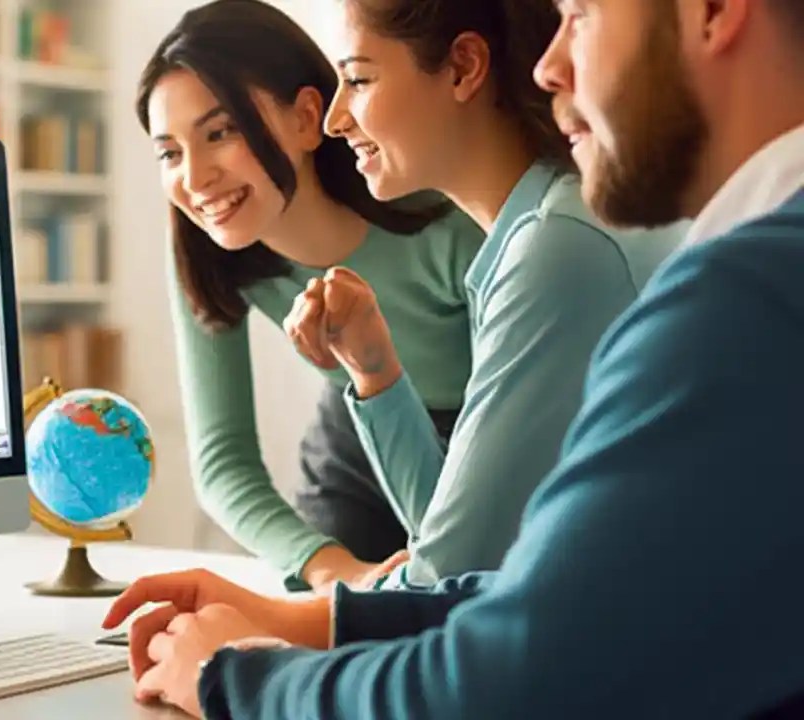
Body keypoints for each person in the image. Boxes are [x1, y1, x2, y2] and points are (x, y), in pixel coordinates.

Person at [103, 0, 804, 716]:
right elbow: (566, 588)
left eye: (583, 15)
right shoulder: (701, 267)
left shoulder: (692, 285)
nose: (548, 67)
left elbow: (496, 667)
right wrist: (309, 613)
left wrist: (230, 680)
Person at [279, 0, 680, 589]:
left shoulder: (558, 248)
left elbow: (452, 568)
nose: (336, 118)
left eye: (359, 79)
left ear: (464, 67)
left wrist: (267, 624)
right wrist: (377, 374)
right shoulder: (534, 233)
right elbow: (453, 538)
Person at [142, 0, 485, 591]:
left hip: (486, 432)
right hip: (354, 445)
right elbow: (223, 463)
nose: (195, 179)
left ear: (307, 119)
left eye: (220, 132)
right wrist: (329, 568)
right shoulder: (207, 258)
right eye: (170, 152)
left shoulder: (443, 221)